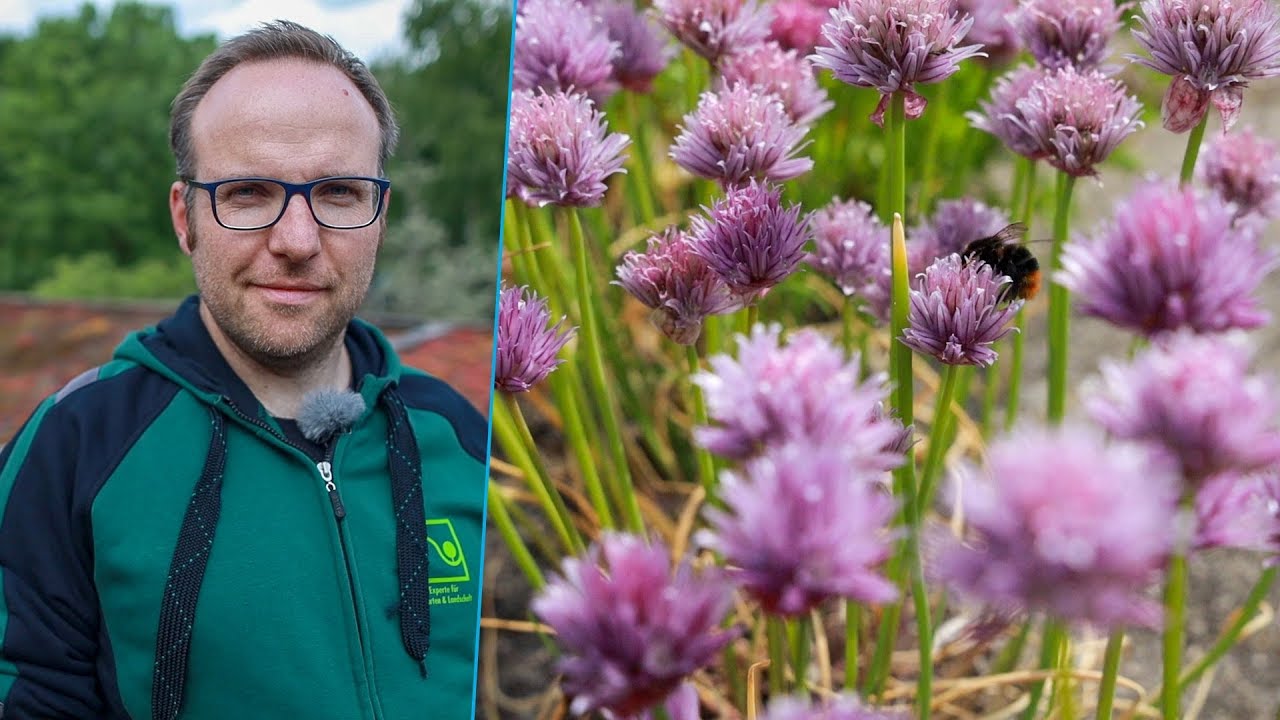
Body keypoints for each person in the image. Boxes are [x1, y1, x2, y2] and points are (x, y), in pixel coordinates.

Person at [0, 21, 490, 720]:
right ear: (185, 217)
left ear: (380, 215)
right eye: (249, 192)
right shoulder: (73, 447)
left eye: (339, 193)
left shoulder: (464, 439)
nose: (296, 241)